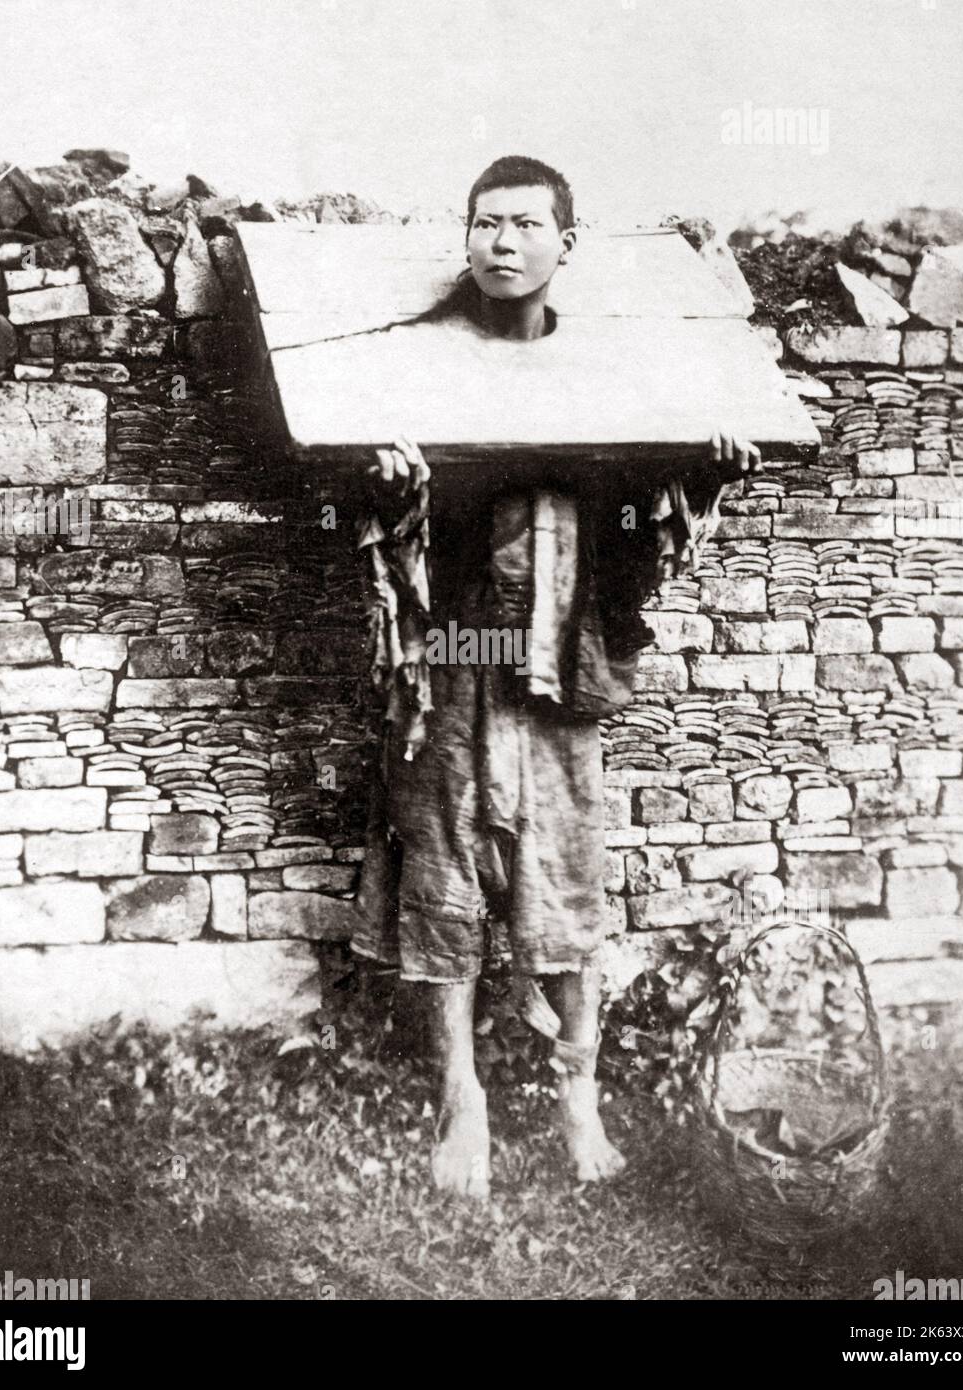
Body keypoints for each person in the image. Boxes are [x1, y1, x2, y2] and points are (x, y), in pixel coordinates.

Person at [351, 156, 761, 1199]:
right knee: (443, 878)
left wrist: (697, 471)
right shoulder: (415, 364)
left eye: (526, 224)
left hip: (562, 665)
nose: (500, 242)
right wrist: (393, 488)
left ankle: (579, 1098)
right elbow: (377, 516)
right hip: (452, 662)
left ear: (566, 246)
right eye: (484, 223)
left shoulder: (612, 382)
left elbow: (635, 524)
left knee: (567, 878)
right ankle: (463, 1104)